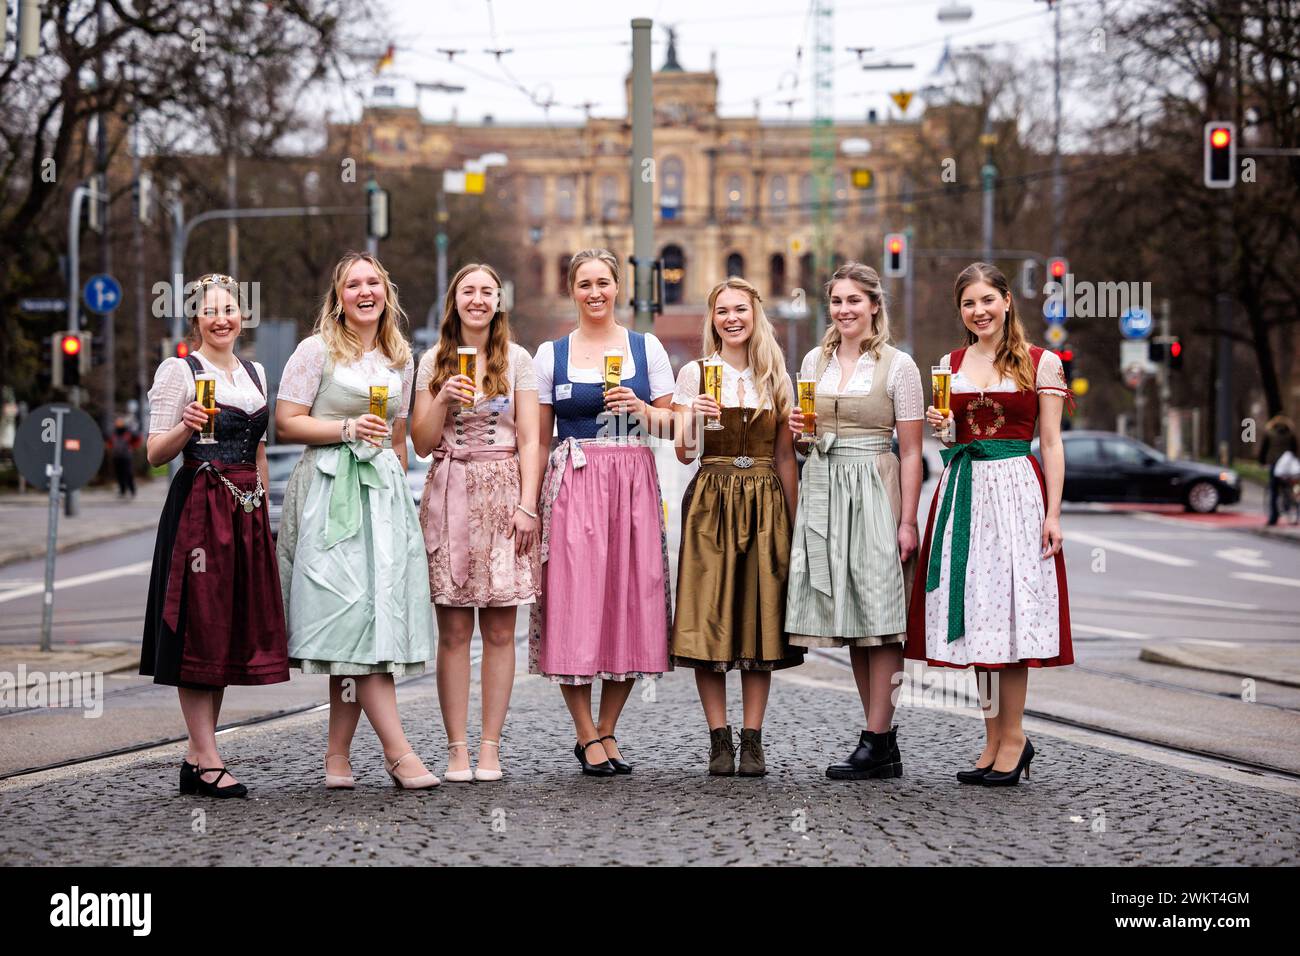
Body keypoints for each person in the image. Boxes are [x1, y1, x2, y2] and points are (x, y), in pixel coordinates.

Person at [907, 261, 1074, 787]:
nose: (979, 311)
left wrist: (1053, 513)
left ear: (1006, 301)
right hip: (966, 491)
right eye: (968, 304)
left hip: (1018, 492)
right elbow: (951, 442)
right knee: (980, 620)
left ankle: (1015, 737)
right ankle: (990, 738)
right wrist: (947, 430)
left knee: (1013, 617)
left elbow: (1050, 442)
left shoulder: (1040, 362)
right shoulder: (948, 363)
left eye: (987, 300)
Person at [275, 252, 438, 790]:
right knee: (350, 618)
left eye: (373, 283)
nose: (364, 292)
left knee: (367, 625)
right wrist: (345, 429)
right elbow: (287, 422)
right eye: (353, 285)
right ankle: (399, 753)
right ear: (338, 297)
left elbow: (397, 436)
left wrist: (401, 492)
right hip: (329, 492)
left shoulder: (399, 357)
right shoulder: (314, 350)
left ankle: (337, 758)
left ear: (386, 293)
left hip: (382, 495)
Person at [140, 273, 289, 798]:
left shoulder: (256, 371)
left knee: (225, 630)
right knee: (198, 629)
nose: (222, 318)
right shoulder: (179, 370)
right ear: (195, 320)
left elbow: (260, 448)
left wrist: (264, 510)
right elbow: (155, 454)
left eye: (230, 309)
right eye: (211, 311)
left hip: (245, 508)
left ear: (241, 316)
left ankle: (196, 757)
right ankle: (206, 756)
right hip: (200, 507)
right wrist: (186, 425)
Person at [530, 248, 677, 776]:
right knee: (576, 603)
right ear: (572, 290)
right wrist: (531, 503)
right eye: (585, 284)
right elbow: (538, 436)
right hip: (575, 479)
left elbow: (680, 429)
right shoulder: (551, 354)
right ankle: (584, 732)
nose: (595, 293)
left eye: (604, 283)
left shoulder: (647, 347)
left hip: (633, 479)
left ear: (618, 288)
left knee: (631, 602)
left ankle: (609, 727)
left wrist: (643, 411)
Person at [785, 262, 924, 780]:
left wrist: (907, 520)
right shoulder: (812, 362)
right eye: (838, 301)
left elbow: (911, 453)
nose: (845, 310)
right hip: (825, 483)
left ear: (874, 306)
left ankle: (878, 738)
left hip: (874, 485)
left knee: (883, 620)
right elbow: (802, 438)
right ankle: (878, 740)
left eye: (855, 301)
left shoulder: (900, 366)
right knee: (856, 625)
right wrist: (800, 432)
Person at [410, 263, 541, 782]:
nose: (478, 299)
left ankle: (490, 747)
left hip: (505, 491)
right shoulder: (432, 360)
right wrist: (442, 398)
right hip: (451, 491)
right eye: (469, 291)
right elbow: (420, 443)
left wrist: (528, 503)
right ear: (455, 300)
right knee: (455, 631)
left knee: (502, 630)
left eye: (488, 291)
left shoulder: (518, 360)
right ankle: (457, 748)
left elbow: (531, 438)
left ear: (499, 301)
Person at [670, 277, 802, 777]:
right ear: (712, 319)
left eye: (740, 310)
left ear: (755, 315)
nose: (731, 318)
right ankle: (718, 739)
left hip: (766, 500)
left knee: (759, 622)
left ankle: (753, 740)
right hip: (711, 499)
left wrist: (793, 518)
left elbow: (786, 457)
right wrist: (693, 422)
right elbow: (684, 451)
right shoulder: (696, 374)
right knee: (708, 620)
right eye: (722, 311)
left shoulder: (777, 378)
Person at [1259, 415, 1298, 525]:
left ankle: (1273, 517)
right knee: (1289, 488)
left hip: (1275, 465)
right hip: (1287, 467)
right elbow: (1295, 450)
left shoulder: (1269, 434)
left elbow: (1264, 449)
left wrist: (1262, 462)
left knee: (1274, 491)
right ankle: (1290, 509)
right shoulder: (1290, 434)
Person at [108, 417, 139, 498]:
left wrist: (132, 448)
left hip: (126, 456)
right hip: (117, 456)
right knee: (119, 474)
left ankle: (132, 490)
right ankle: (122, 491)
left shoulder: (128, 433)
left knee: (129, 474)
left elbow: (137, 439)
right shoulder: (114, 433)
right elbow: (110, 442)